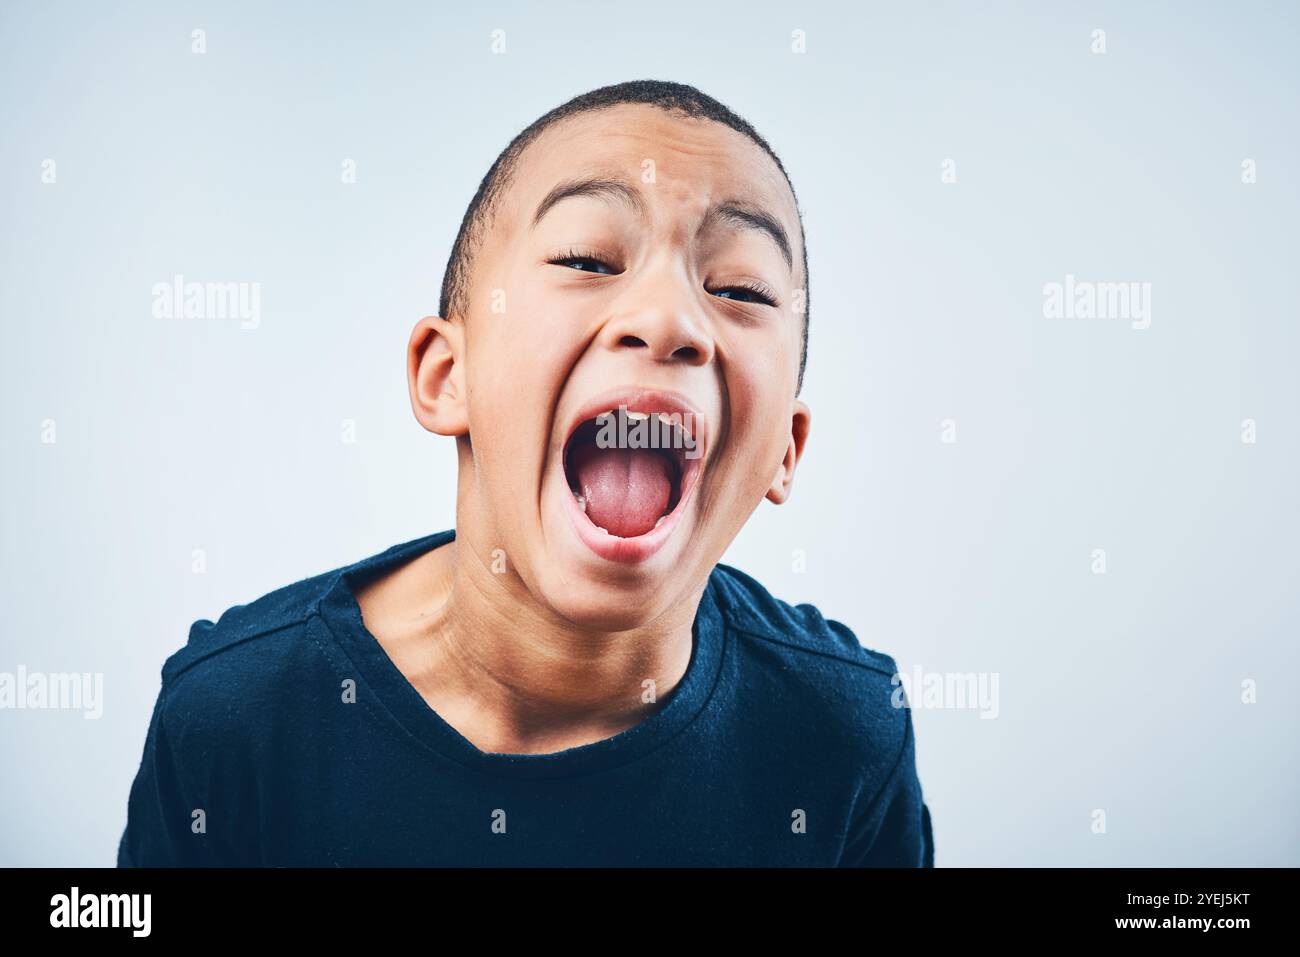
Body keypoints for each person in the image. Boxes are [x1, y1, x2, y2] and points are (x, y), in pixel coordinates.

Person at [117, 79, 934, 866]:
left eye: (740, 287)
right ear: (447, 376)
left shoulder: (842, 737)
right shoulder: (235, 718)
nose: (668, 319)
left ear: (784, 452)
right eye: (587, 258)